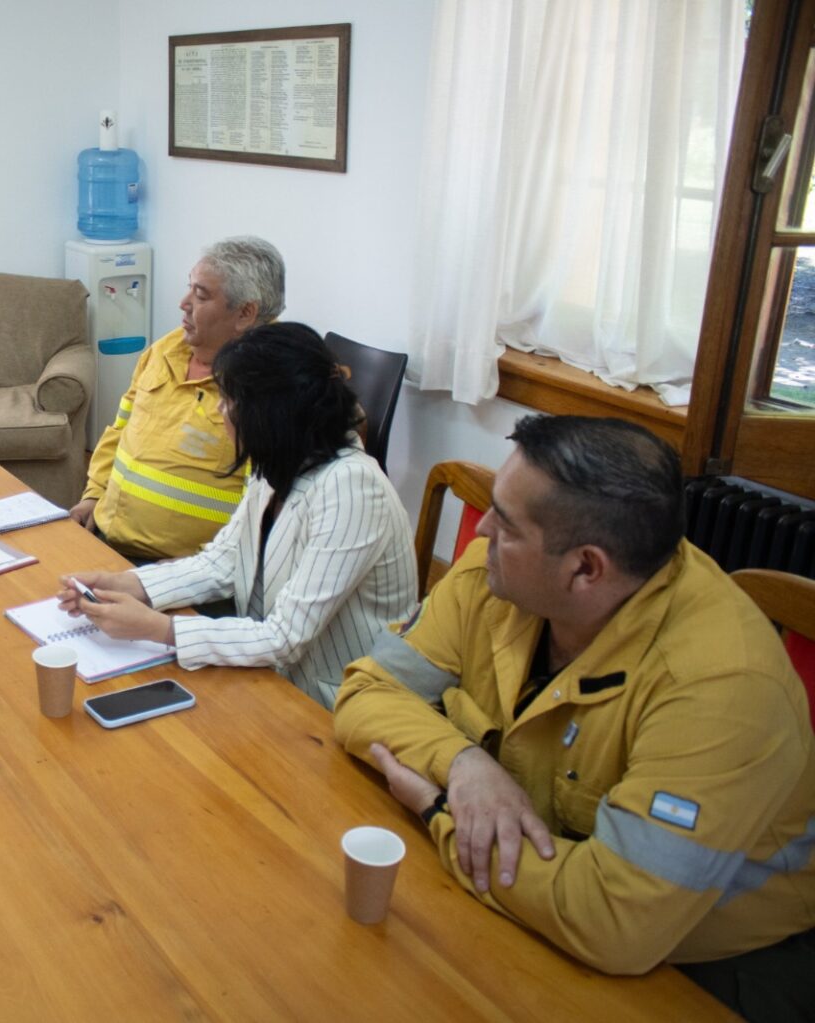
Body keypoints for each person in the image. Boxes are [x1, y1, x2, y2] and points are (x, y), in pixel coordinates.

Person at [334, 415, 815, 1019]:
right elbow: (365, 694)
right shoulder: (502, 575)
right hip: (536, 887)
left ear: (586, 568)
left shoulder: (722, 686)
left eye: (505, 523)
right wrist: (463, 764)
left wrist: (438, 809)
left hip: (706, 967)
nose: (480, 529)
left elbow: (614, 921)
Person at [57, 322, 417, 708]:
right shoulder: (280, 461)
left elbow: (285, 637)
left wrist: (160, 628)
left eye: (229, 401)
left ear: (270, 414)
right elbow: (222, 562)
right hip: (271, 679)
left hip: (335, 703)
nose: (219, 410)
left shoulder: (352, 489)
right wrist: (126, 584)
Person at [70, 236, 284, 562]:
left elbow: (266, 512)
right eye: (190, 288)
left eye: (200, 295)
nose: (183, 303)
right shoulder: (164, 351)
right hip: (104, 538)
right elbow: (119, 431)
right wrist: (93, 495)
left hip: (185, 573)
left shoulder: (272, 387)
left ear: (245, 313)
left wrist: (195, 572)